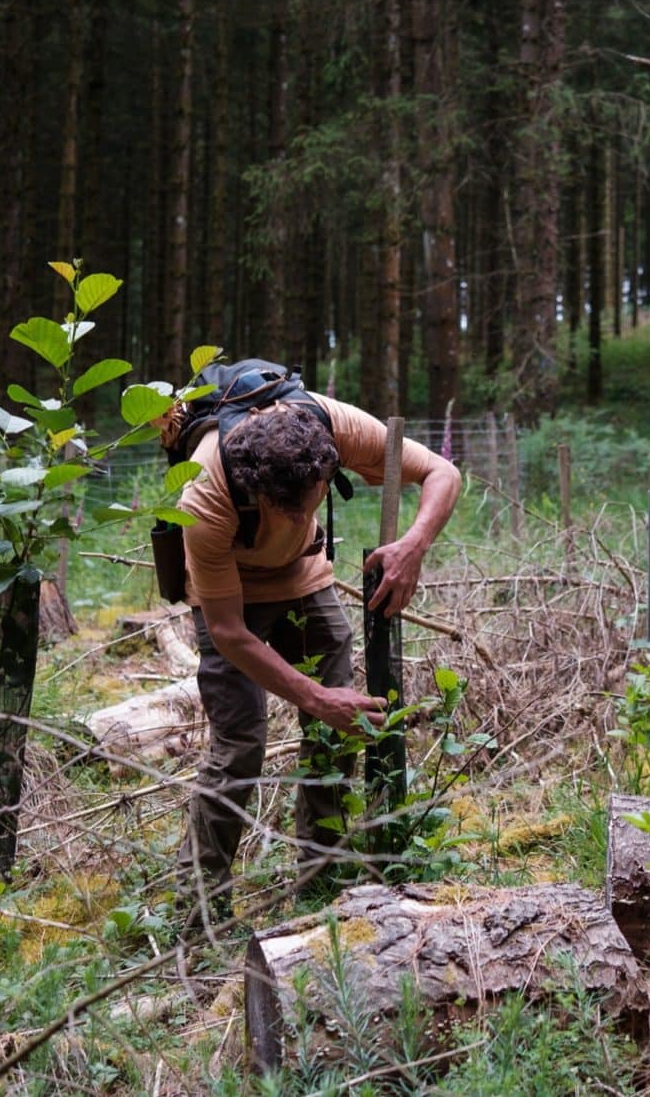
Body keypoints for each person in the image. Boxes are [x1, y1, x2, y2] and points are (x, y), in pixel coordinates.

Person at [171, 393, 460, 933]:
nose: (301, 517)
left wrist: (414, 545)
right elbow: (229, 632)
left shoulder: (335, 426)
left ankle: (322, 880)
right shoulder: (206, 495)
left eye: (310, 503)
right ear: (257, 488)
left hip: (304, 575)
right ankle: (198, 912)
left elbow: (443, 473)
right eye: (288, 510)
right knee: (239, 744)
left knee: (339, 732)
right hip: (230, 593)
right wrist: (317, 698)